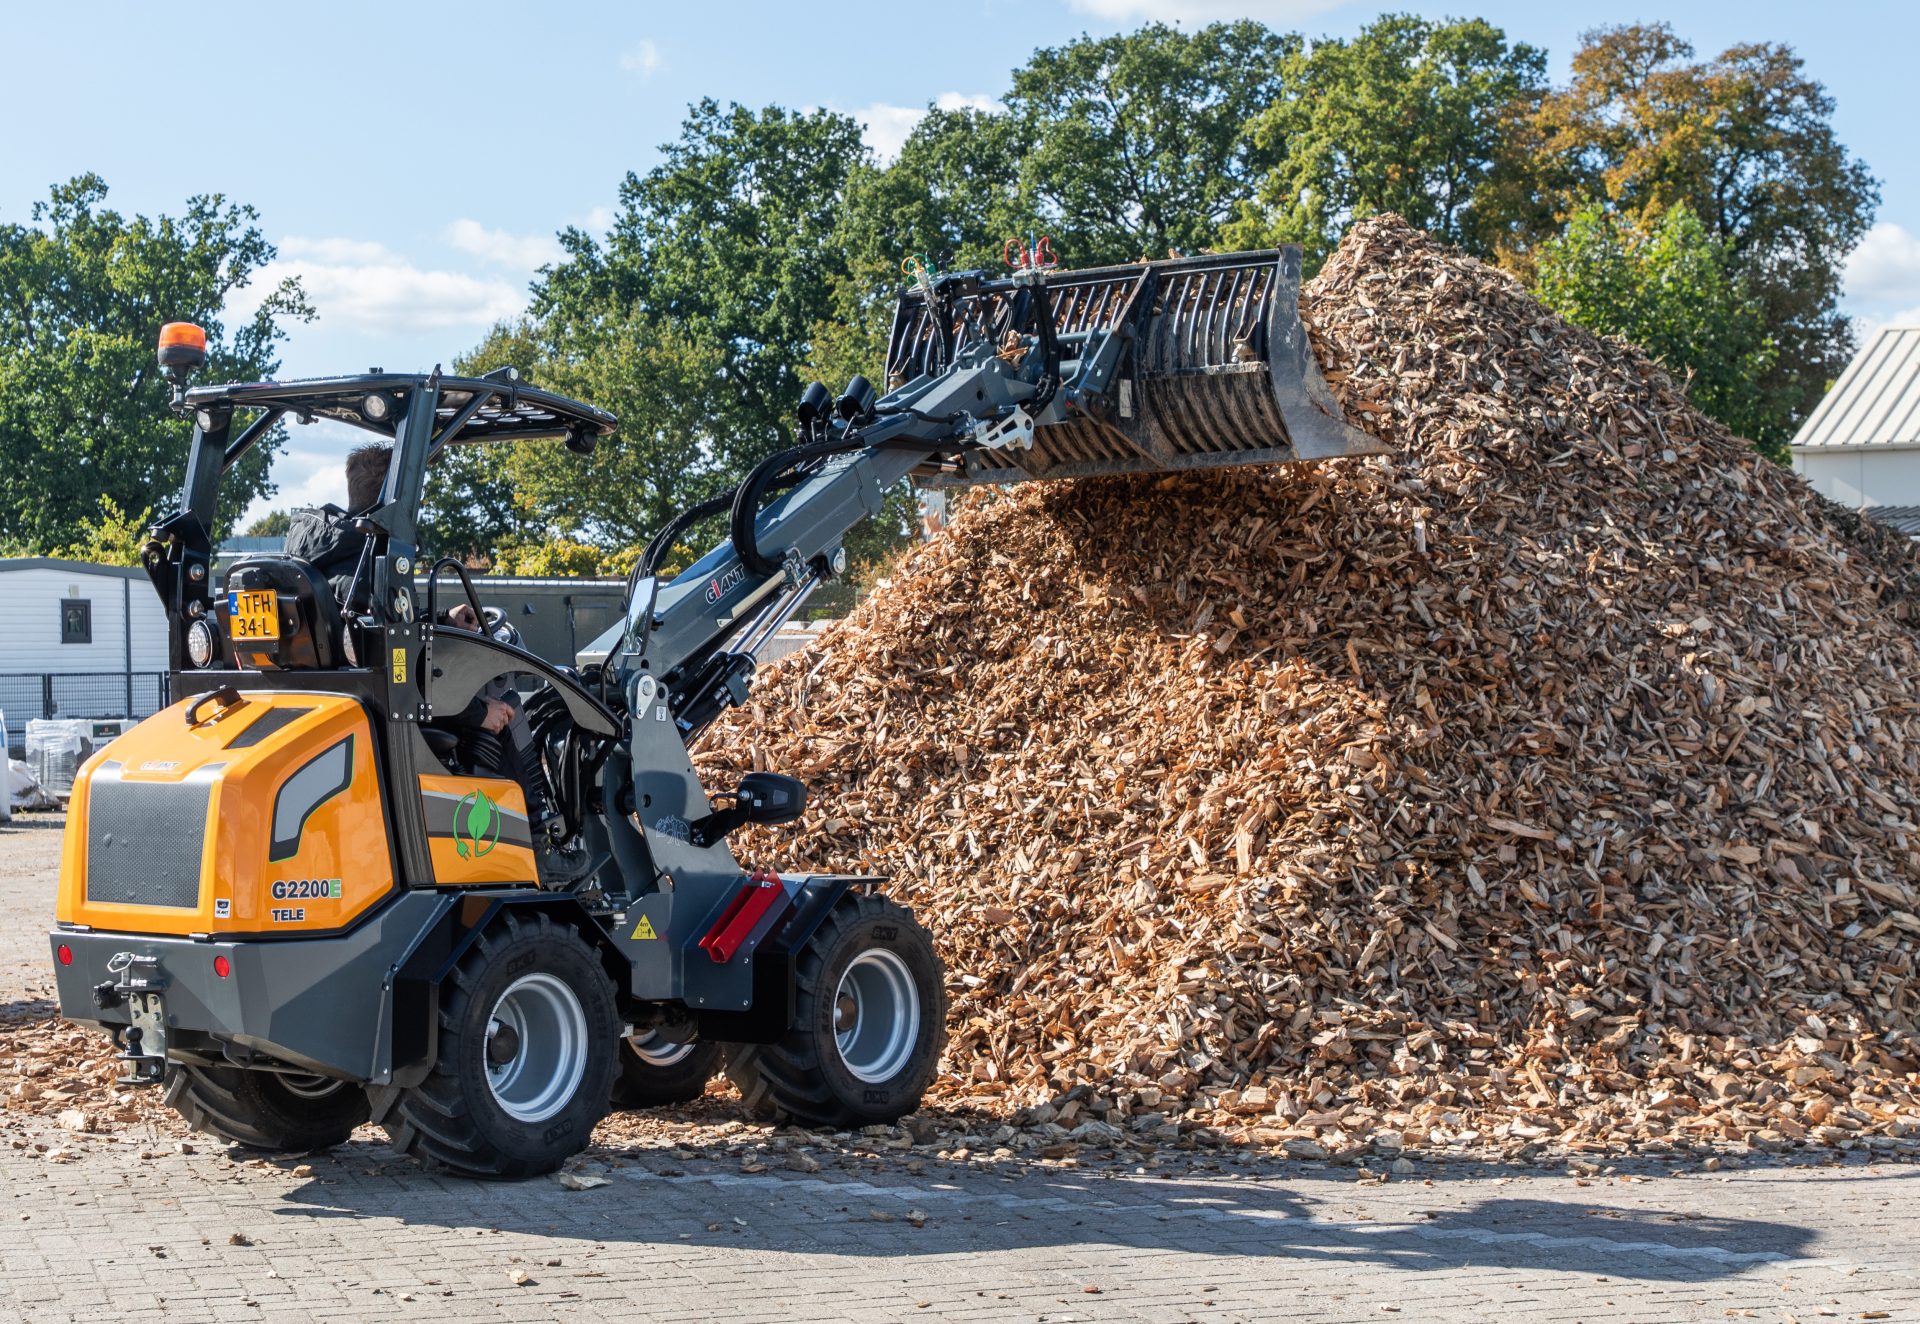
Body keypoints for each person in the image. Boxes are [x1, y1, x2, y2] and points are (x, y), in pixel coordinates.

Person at [284, 442, 392, 608]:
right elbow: (399, 625)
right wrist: (443, 618)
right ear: (389, 495)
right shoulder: (370, 564)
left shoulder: (301, 547)